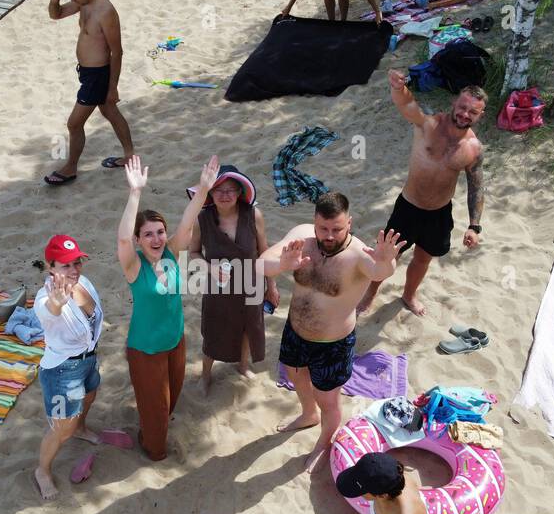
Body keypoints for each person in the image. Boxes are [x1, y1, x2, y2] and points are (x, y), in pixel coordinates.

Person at [259, 192, 402, 472]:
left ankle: (324, 442)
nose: (328, 235)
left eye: (336, 229)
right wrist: (281, 265)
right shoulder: (302, 237)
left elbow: (380, 270)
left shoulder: (359, 255)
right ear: (314, 221)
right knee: (294, 373)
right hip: (295, 331)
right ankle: (307, 414)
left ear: (349, 222)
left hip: (332, 343)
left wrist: (388, 260)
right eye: (323, 228)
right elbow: (260, 263)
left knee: (328, 399)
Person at [358, 72, 487, 317]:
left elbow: (477, 185)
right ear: (454, 104)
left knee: (422, 259)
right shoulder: (428, 124)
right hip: (408, 208)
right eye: (462, 107)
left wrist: (474, 226)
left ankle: (408, 295)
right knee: (385, 256)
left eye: (473, 111)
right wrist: (398, 87)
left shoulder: (473, 149)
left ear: (481, 115)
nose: (465, 114)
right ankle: (370, 294)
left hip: (439, 214)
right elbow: (407, 104)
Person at [116, 155, 217, 460]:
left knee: (170, 401)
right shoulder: (134, 266)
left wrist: (203, 189)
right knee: (157, 424)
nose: (156, 238)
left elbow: (188, 221)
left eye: (160, 231)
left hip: (176, 341)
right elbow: (121, 240)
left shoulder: (172, 251)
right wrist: (135, 193)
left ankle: (150, 423)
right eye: (147, 234)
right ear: (138, 240)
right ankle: (149, 443)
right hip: (146, 350)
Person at [186, 164, 279, 393]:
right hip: (218, 286)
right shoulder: (202, 219)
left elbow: (265, 251)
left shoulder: (253, 215)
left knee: (248, 326)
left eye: (230, 190)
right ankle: (205, 375)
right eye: (218, 189)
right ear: (209, 193)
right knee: (213, 328)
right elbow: (193, 253)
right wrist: (210, 268)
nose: (224, 195)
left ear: (239, 192)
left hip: (251, 283)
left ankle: (243, 365)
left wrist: (271, 286)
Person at [44, 0, 136, 185]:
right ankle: (130, 155)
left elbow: (117, 51)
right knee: (110, 110)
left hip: (98, 76)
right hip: (87, 73)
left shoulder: (105, 11)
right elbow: (55, 15)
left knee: (74, 124)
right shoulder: (82, 1)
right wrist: (54, 1)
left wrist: (113, 87)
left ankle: (70, 168)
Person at [31, 234, 105, 500]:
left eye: (77, 263)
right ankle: (42, 470)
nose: (73, 270)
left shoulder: (82, 282)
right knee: (62, 427)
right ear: (50, 267)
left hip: (88, 359)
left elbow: (93, 311)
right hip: (63, 370)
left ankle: (82, 428)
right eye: (65, 265)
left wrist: (75, 292)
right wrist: (57, 303)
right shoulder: (45, 298)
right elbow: (47, 310)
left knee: (91, 394)